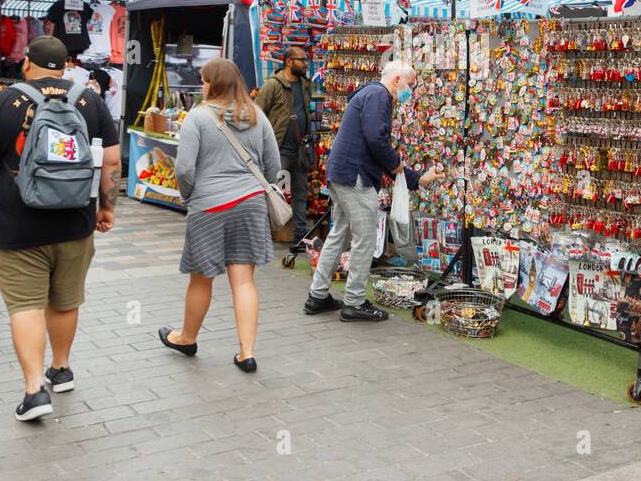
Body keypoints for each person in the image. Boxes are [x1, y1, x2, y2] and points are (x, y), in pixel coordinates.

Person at [0, 36, 120, 422]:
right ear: (65, 66)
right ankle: (61, 369)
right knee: (65, 300)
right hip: (75, 220)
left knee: (26, 306)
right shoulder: (90, 99)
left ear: (27, 62)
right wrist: (107, 207)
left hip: (18, 222)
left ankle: (34, 391)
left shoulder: (3, 99)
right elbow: (112, 163)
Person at [159, 58, 279, 372]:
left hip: (209, 205)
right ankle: (247, 352)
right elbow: (274, 167)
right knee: (244, 281)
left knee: (201, 279)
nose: (202, 85)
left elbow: (184, 169)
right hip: (250, 203)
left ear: (213, 83)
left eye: (203, 80)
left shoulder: (197, 118)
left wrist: (190, 196)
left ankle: (186, 337)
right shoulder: (258, 116)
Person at [304, 60, 443, 322]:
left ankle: (318, 295)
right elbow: (376, 140)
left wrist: (413, 177)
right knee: (364, 239)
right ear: (397, 79)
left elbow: (374, 144)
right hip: (355, 177)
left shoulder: (369, 93)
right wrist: (397, 164)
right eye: (410, 85)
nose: (410, 91)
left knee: (339, 233)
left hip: (343, 173)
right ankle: (354, 302)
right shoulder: (379, 96)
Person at [254, 46, 313, 244]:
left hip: (300, 148)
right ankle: (262, 234)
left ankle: (300, 236)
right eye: (302, 60)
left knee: (300, 193)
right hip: (278, 149)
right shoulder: (272, 85)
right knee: (271, 191)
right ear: (289, 62)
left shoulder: (306, 84)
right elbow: (257, 114)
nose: (306, 64)